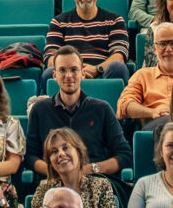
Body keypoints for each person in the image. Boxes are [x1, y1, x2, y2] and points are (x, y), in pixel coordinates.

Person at [27, 47, 131, 179]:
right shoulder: (39, 110)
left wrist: (90, 169)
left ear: (83, 73)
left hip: (94, 180)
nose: (68, 76)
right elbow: (30, 157)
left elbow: (124, 155)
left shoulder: (102, 109)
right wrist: (58, 172)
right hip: (55, 184)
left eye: (74, 70)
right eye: (62, 70)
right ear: (54, 75)